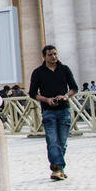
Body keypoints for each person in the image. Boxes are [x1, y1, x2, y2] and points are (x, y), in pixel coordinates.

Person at [29, 44, 78, 181]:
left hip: (64, 110)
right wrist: (47, 100)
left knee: (62, 142)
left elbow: (74, 88)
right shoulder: (38, 72)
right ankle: (57, 168)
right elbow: (32, 93)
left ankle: (59, 168)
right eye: (50, 55)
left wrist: (66, 96)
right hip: (48, 111)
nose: (53, 57)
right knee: (52, 141)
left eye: (55, 54)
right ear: (44, 57)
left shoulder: (65, 69)